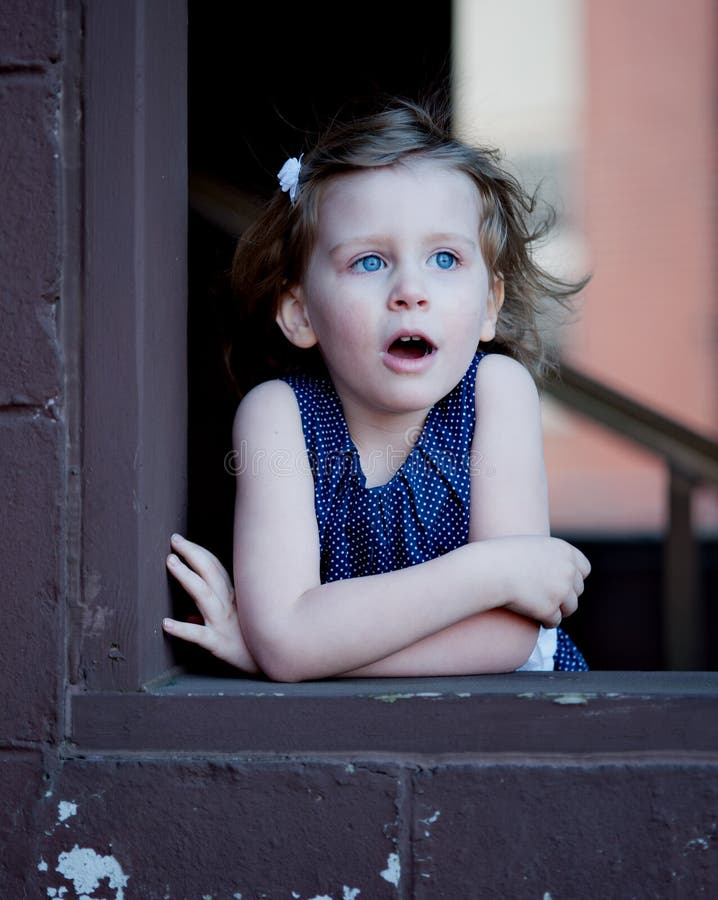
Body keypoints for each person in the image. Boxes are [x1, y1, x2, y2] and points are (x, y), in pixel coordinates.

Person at [163, 96, 591, 681]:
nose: (410, 289)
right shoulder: (279, 416)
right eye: (368, 262)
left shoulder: (497, 391)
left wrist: (300, 653)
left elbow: (505, 642)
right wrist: (493, 573)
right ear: (300, 312)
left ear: (489, 305)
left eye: (445, 258)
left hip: (516, 725)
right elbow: (288, 642)